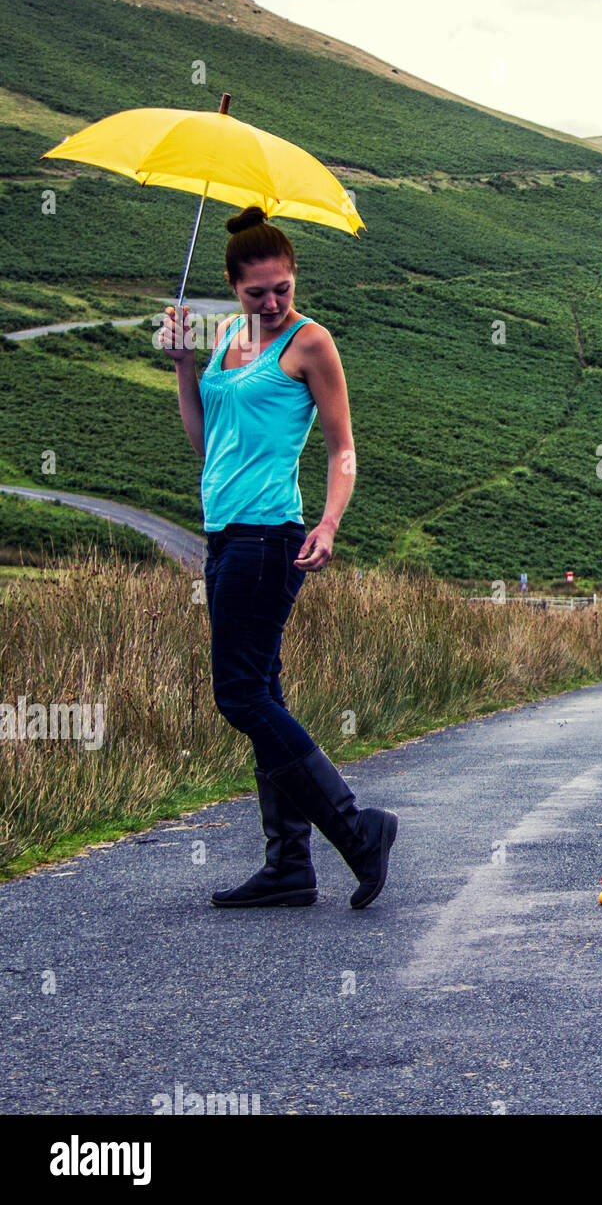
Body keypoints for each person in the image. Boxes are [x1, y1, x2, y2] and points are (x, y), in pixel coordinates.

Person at [161, 205, 398, 910]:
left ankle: (357, 831)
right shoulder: (229, 337)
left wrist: (328, 522)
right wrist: (181, 366)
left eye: (282, 289)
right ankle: (289, 866)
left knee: (238, 693)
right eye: (256, 292)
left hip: (271, 534)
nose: (270, 303)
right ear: (233, 288)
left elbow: (342, 447)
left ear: (295, 282)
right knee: (263, 689)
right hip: (224, 530)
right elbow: (209, 445)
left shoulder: (310, 343)